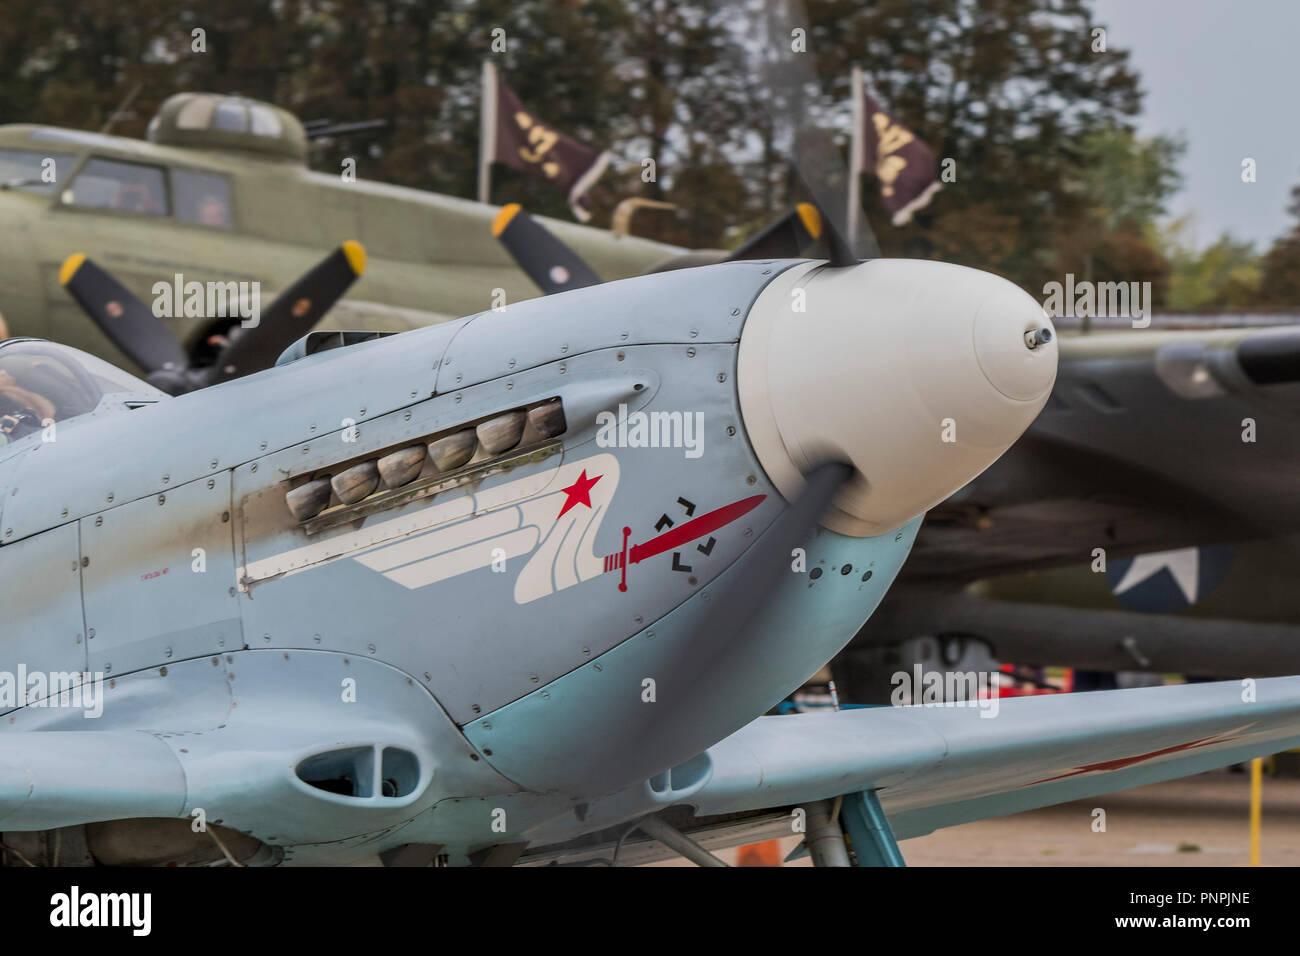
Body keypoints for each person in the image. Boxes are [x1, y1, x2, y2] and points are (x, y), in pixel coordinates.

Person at [0, 367, 56, 442]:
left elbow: (50, 412)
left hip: (49, 428)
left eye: (7, 375)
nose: (8, 378)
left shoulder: (26, 390)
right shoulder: (4, 401)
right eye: (2, 376)